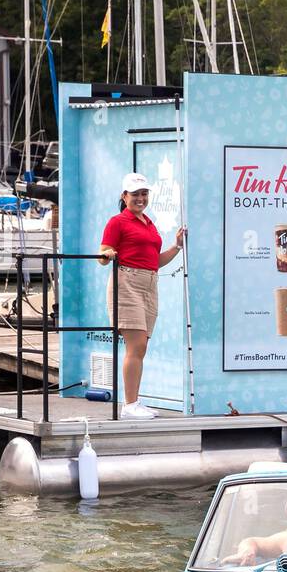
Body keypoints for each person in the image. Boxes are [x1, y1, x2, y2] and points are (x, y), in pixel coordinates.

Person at [97, 172, 186, 419]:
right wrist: (108, 254)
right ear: (124, 196)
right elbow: (102, 255)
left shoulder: (148, 222)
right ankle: (129, 405)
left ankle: (133, 402)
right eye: (135, 194)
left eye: (144, 193)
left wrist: (177, 246)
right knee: (135, 346)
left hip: (149, 283)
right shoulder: (117, 222)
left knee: (141, 346)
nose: (140, 198)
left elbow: (154, 261)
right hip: (127, 283)